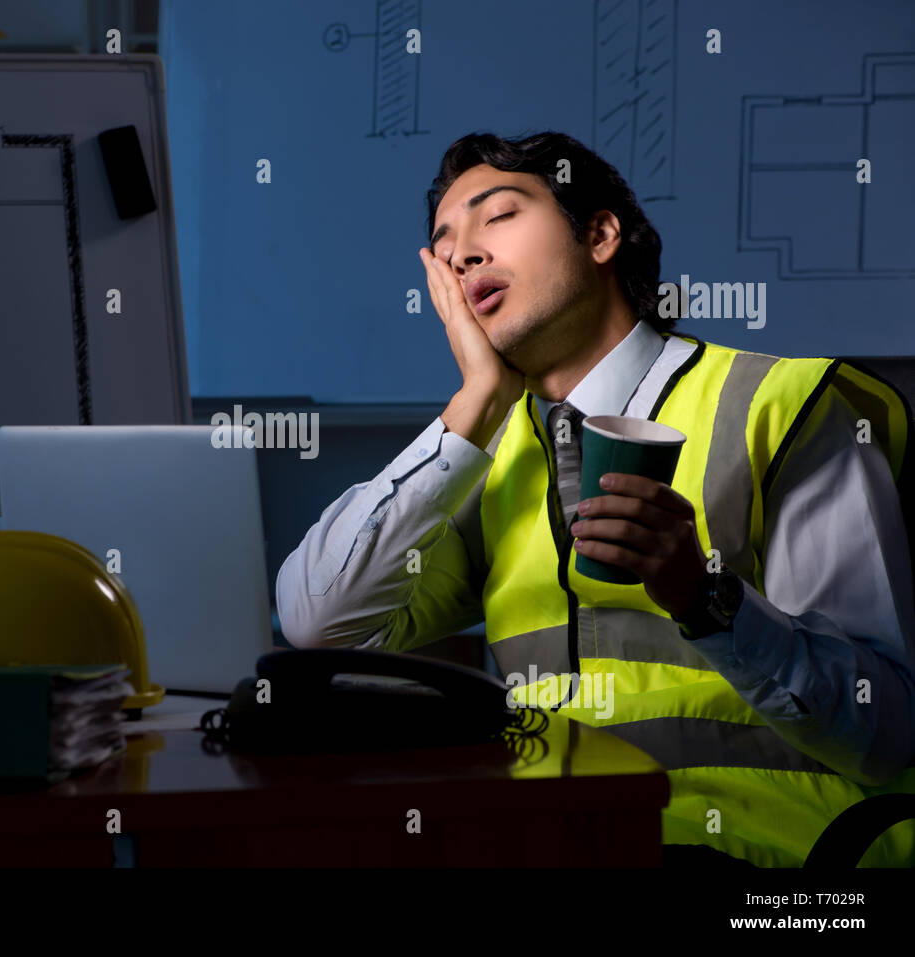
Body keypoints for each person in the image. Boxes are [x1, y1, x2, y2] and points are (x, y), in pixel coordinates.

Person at [275, 130, 915, 867]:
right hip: (553, 843)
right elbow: (317, 620)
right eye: (443, 244)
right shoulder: (489, 458)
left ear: (602, 234)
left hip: (776, 858)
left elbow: (886, 730)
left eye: (499, 215)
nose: (462, 254)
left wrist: (708, 601)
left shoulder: (779, 404)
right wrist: (477, 400)